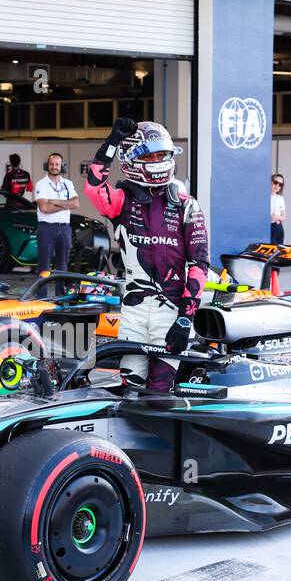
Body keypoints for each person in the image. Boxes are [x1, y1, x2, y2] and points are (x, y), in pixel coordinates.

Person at [85, 118, 208, 392]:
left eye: (161, 154)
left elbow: (199, 264)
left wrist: (186, 318)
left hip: (172, 311)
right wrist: (112, 142)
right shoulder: (121, 201)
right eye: (149, 155)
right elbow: (94, 187)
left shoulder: (187, 206)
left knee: (160, 389)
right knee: (132, 386)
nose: (157, 160)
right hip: (134, 310)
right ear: (132, 160)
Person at [33, 152, 78, 285]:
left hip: (64, 228)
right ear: (47, 165)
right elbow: (44, 208)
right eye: (51, 164)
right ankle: (41, 297)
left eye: (57, 164)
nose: (54, 167)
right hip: (47, 228)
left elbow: (76, 204)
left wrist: (54, 201)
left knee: (63, 266)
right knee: (44, 265)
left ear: (61, 166)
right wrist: (65, 204)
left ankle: (61, 297)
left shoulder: (68, 184)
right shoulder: (41, 184)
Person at [270, 173, 287, 244]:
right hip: (269, 227)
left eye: (280, 184)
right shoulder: (263, 196)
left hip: (279, 228)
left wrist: (276, 217)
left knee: (279, 253)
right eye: (275, 182)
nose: (277, 186)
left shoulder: (281, 199)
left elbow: (284, 217)